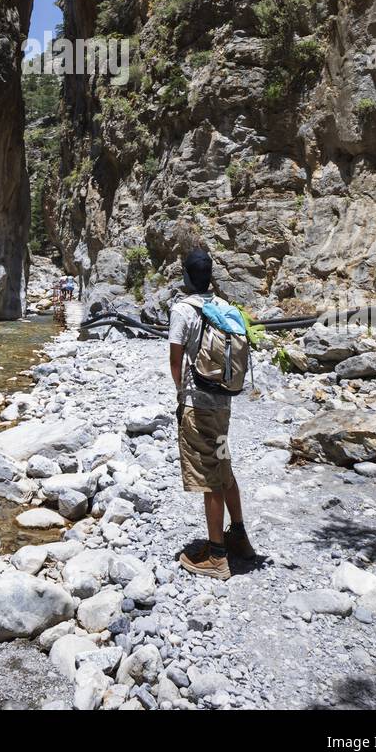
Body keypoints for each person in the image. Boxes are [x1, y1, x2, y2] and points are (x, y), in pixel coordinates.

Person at [168, 247, 255, 579]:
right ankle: (240, 538)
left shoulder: (183, 310)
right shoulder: (224, 307)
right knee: (223, 465)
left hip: (198, 407)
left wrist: (180, 394)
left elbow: (176, 361)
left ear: (187, 276)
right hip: (223, 407)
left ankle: (217, 556)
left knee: (208, 478)